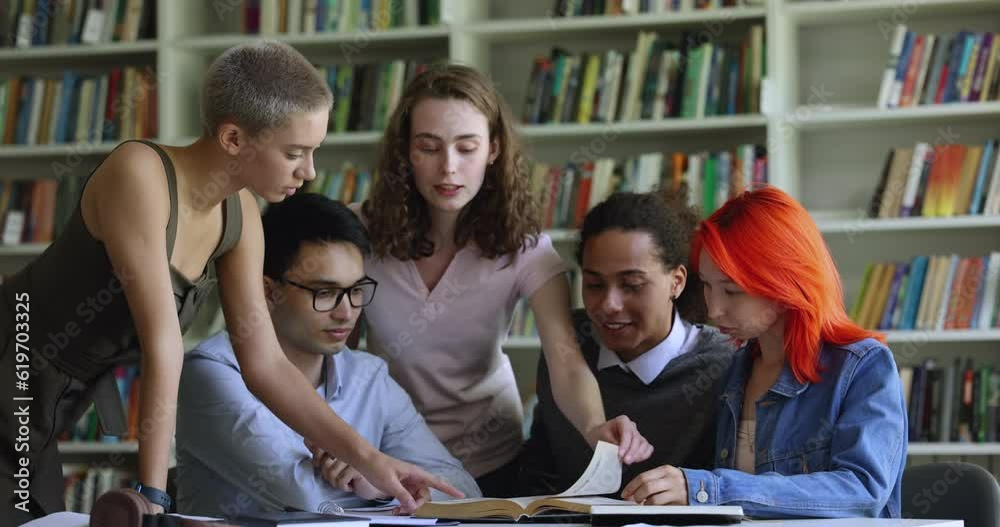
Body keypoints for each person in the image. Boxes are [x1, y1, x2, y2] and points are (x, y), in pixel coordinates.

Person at [0, 41, 458, 525]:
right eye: (295, 153)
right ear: (234, 138)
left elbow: (264, 364)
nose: (310, 171)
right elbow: (163, 344)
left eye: (314, 152)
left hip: (55, 398)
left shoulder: (239, 212)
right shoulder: (138, 174)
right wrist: (153, 497)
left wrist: (372, 460)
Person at [351, 64, 652, 496]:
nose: (448, 168)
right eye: (428, 147)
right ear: (406, 152)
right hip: (389, 457)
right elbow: (334, 358)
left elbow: (565, 360)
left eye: (466, 147)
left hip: (494, 460)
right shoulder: (356, 233)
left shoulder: (525, 247)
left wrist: (594, 427)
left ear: (493, 149)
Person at [175, 194, 480, 517]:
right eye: (325, 293)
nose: (347, 312)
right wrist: (386, 486)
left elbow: (462, 488)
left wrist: (379, 486)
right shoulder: (212, 372)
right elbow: (305, 500)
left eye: (356, 290)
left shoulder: (368, 376)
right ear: (268, 291)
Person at [620, 186, 907, 518]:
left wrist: (709, 489)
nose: (714, 310)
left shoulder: (863, 367)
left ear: (784, 283)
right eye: (708, 287)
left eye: (732, 291)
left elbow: (862, 490)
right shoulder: (737, 368)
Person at [514, 191, 737, 496]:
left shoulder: (724, 364)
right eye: (594, 284)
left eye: (631, 285)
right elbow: (543, 463)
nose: (609, 304)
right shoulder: (568, 345)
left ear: (677, 281)